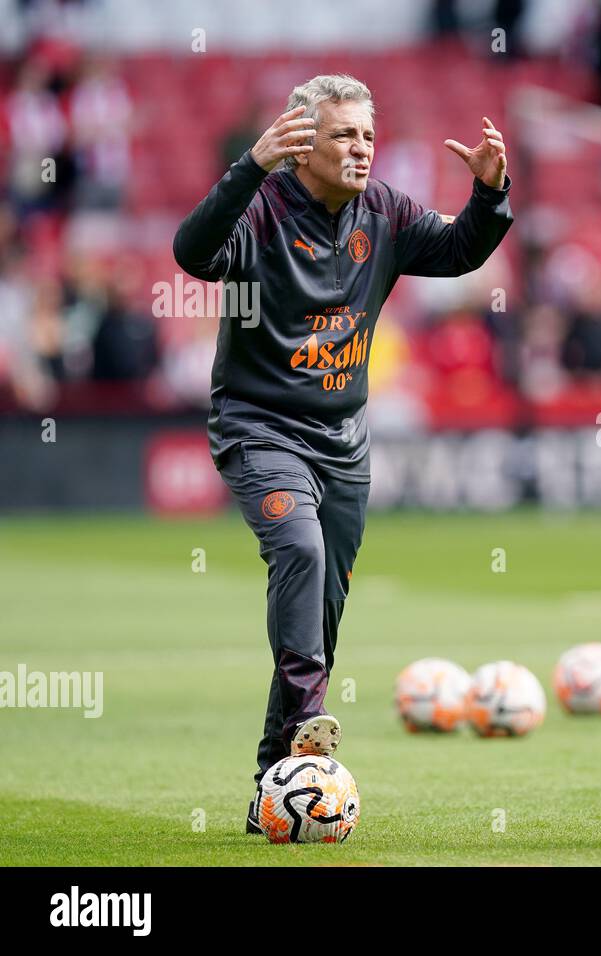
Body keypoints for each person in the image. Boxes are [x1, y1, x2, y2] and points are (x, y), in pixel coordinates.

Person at [172, 74, 513, 833]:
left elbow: (459, 252)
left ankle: (276, 781)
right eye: (343, 136)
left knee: (319, 613)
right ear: (301, 144)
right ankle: (312, 716)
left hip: (343, 442)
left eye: (367, 134)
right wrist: (249, 167)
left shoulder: (383, 211)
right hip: (259, 427)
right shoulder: (260, 209)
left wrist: (489, 196)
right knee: (297, 549)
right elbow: (193, 254)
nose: (361, 148)